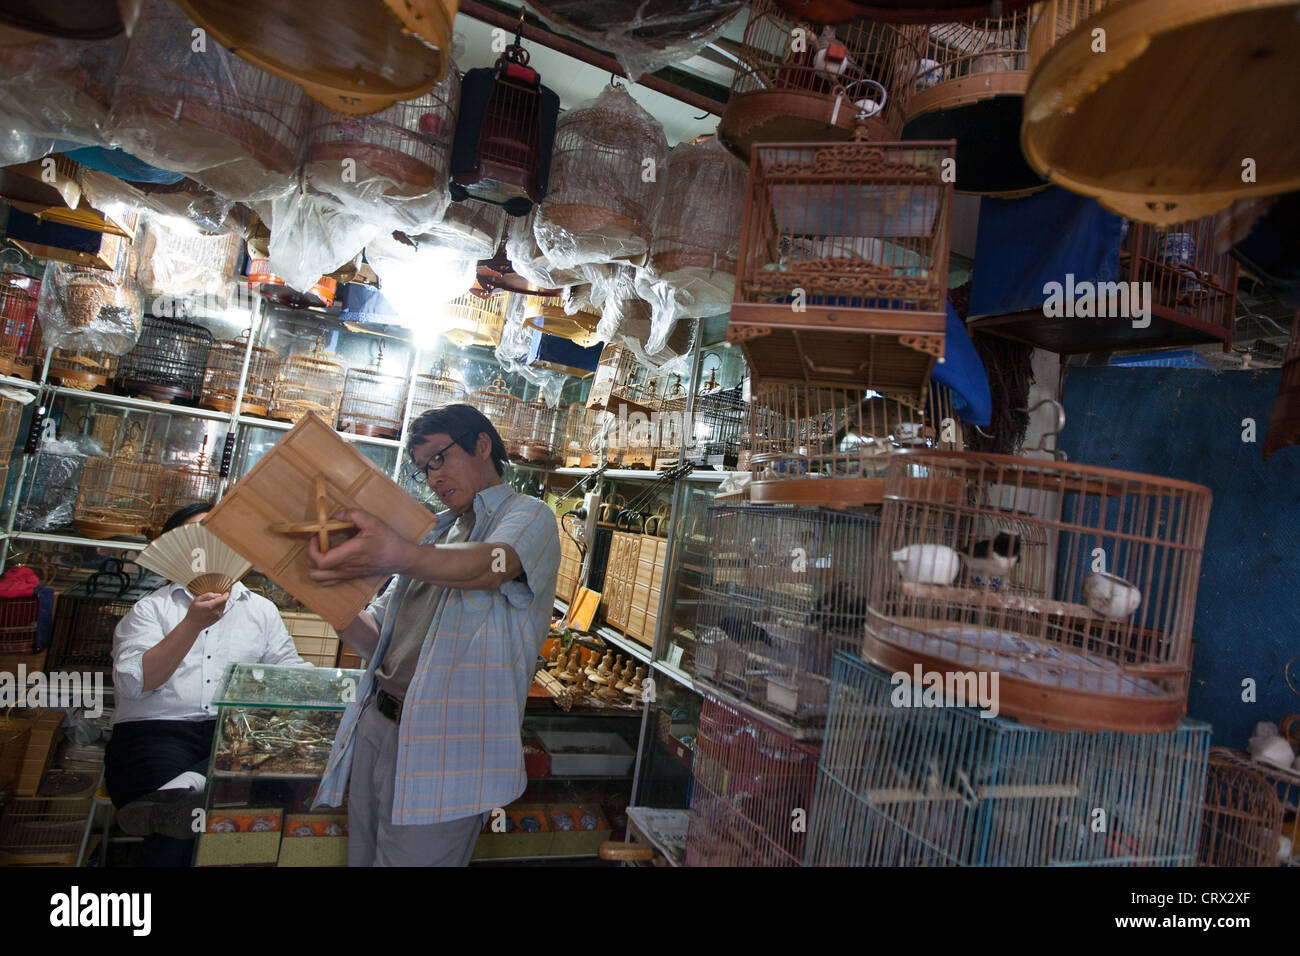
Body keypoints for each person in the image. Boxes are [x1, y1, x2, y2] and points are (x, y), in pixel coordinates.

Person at [307, 403, 560, 867]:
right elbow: (377, 638)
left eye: (439, 459)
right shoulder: (435, 534)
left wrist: (397, 554)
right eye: (424, 469)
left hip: (446, 746)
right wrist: (324, 594)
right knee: (364, 857)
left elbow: (490, 565)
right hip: (378, 723)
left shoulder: (530, 517)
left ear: (481, 445)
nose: (433, 478)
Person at [106, 503, 308, 866]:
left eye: (220, 534)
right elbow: (135, 683)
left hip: (236, 737)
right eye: (196, 536)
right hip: (155, 734)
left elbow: (287, 673)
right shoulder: (151, 609)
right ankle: (190, 786)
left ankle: (189, 785)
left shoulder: (261, 611)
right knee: (186, 817)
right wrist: (191, 624)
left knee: (264, 782)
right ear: (178, 550)